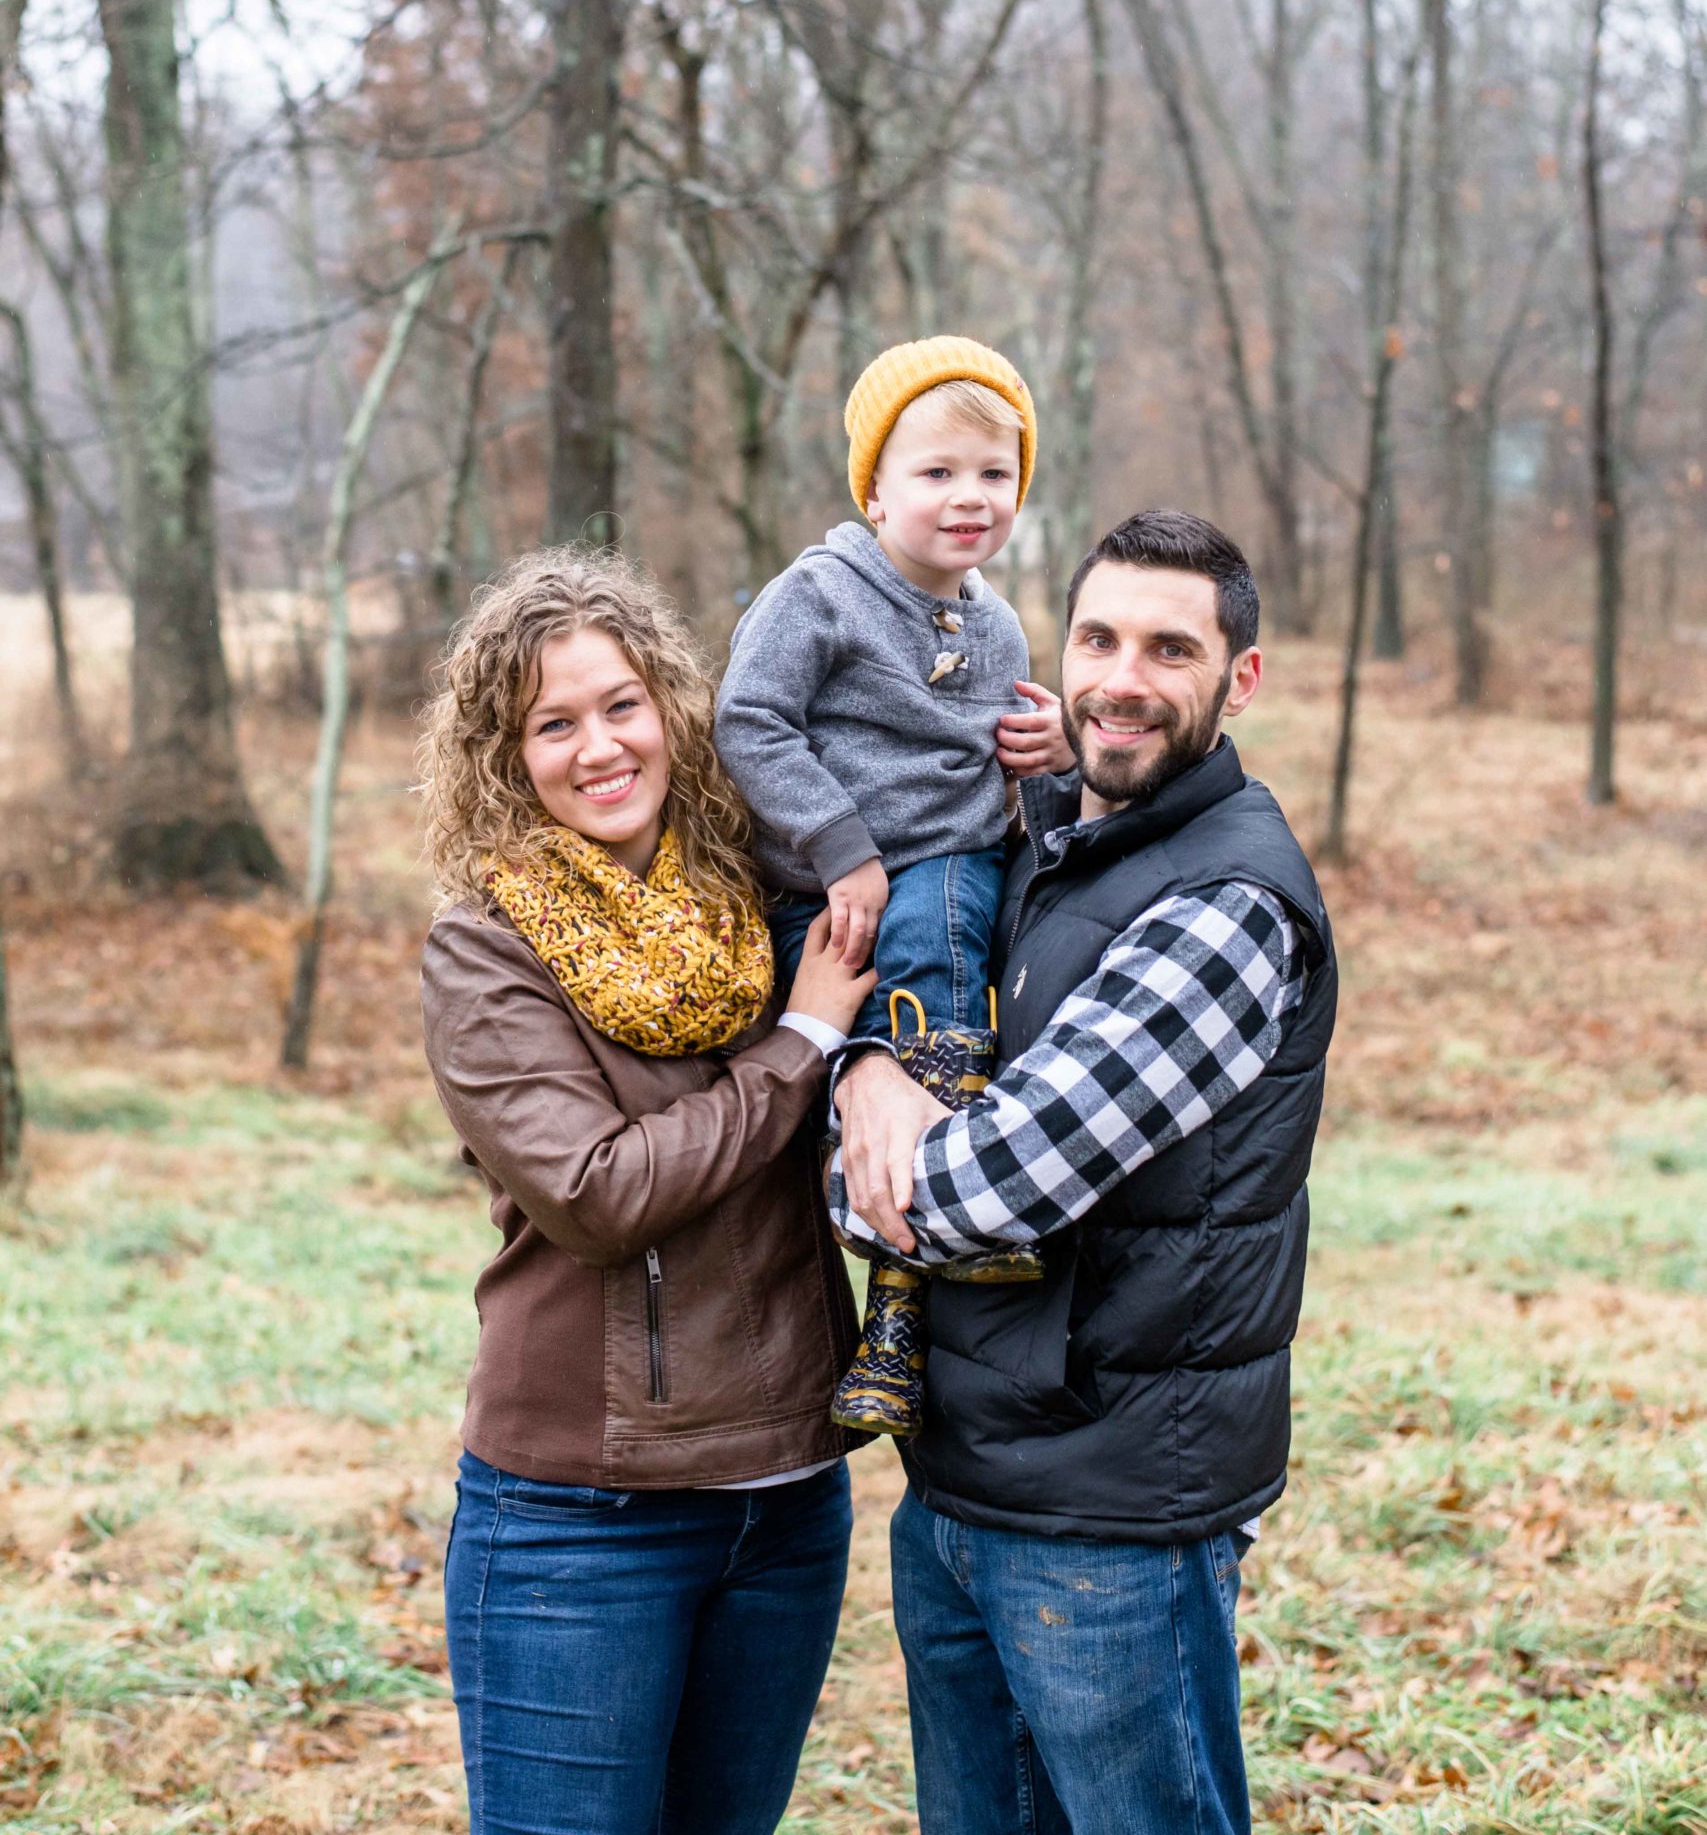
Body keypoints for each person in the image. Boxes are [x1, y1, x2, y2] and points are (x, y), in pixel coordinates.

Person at [832, 510, 1339, 1835]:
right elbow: (901, 1039)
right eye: (1095, 637)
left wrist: (829, 1145)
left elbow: (977, 1192)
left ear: (1239, 679)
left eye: (1169, 648)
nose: (1118, 676)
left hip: (1107, 1523)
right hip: (965, 1481)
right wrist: (865, 1076)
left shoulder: (1223, 907)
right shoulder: (1053, 843)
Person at [418, 548, 877, 1835]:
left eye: (622, 704)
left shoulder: (760, 892)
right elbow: (598, 1191)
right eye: (552, 724)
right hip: (580, 1514)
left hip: (785, 1491)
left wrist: (1027, 741)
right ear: (508, 758)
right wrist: (800, 1045)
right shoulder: (487, 944)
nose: (599, 746)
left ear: (671, 708)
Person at [715, 335, 1073, 1435]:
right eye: (936, 472)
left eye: (994, 474)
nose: (970, 497)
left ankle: (905, 1309)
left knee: (951, 1042)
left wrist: (1052, 747)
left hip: (963, 877)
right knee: (912, 1031)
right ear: (874, 489)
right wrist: (842, 845)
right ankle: (925, 1255)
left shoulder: (999, 618)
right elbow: (748, 719)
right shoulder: (819, 594)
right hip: (846, 893)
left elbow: (1001, 751)